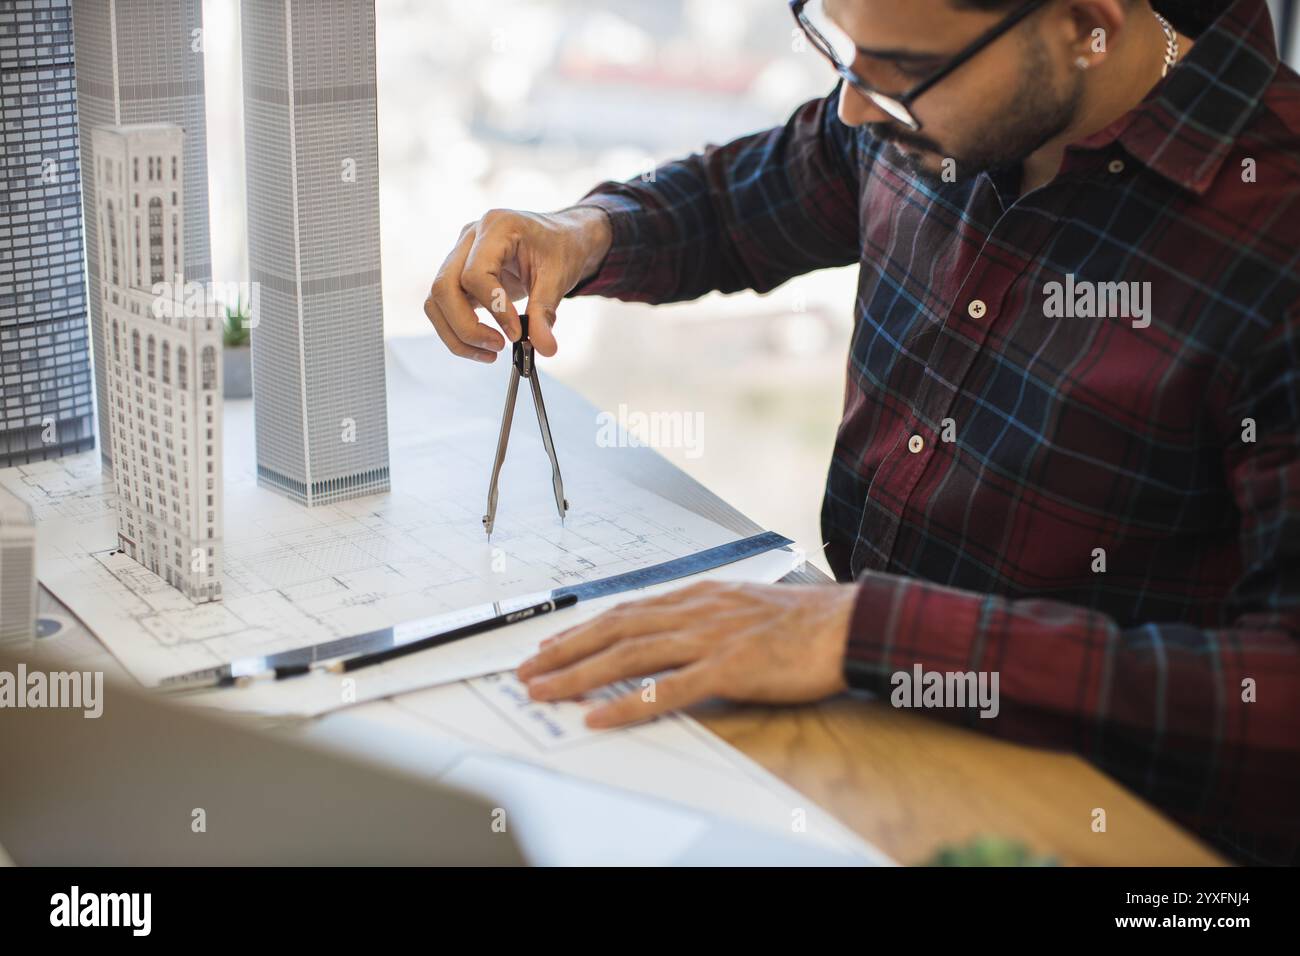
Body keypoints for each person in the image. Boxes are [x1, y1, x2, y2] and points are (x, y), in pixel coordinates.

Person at [424, 0, 1300, 864]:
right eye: (840, 41)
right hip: (850, 722)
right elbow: (747, 199)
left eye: (906, 73)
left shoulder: (1276, 231)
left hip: (1111, 832)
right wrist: (585, 233)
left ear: (1081, 27)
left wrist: (867, 635)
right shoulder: (919, 99)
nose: (854, 105)